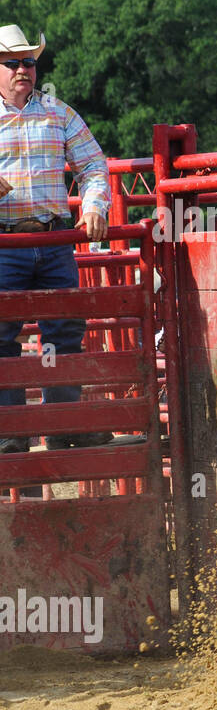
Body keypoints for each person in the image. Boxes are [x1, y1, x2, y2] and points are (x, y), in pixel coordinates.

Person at [0, 23, 113, 453]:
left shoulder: (57, 112)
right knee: (1, 335)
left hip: (52, 240)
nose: (23, 70)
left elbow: (92, 166)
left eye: (28, 62)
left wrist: (94, 206)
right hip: (4, 243)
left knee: (64, 331)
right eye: (13, 63)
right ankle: (11, 431)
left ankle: (62, 425)